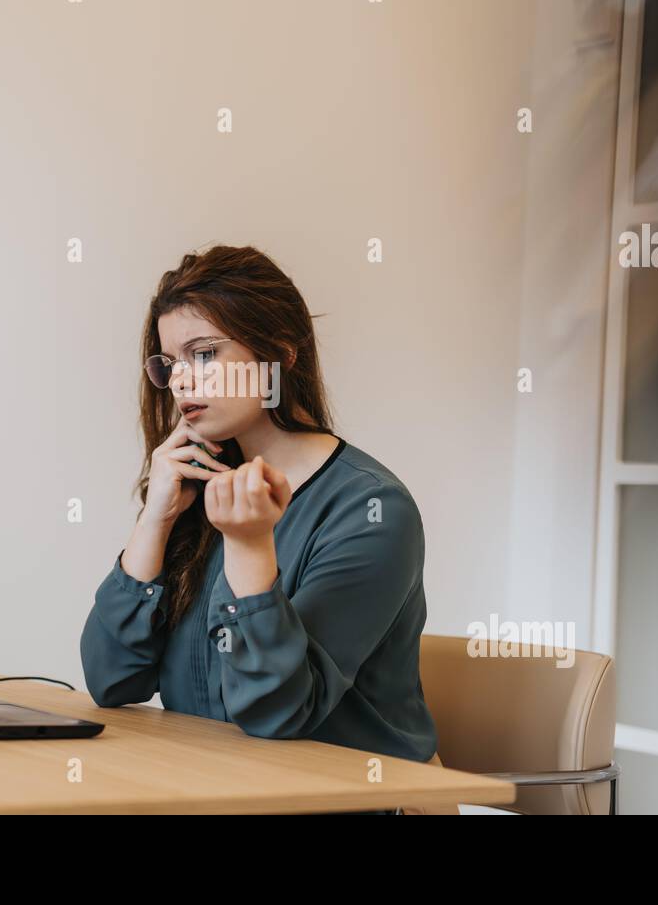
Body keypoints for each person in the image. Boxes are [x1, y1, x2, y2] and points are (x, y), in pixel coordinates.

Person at [79, 245, 439, 812]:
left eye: (203, 354)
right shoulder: (200, 490)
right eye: (169, 362)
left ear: (279, 355)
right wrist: (156, 517)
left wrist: (249, 547)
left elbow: (277, 713)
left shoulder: (372, 509)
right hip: (213, 793)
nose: (178, 381)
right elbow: (110, 680)